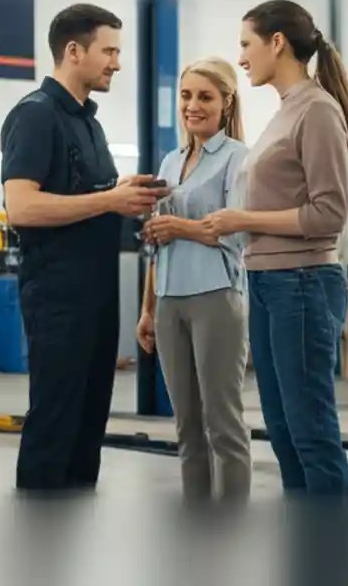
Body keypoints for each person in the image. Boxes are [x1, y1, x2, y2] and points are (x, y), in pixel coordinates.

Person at [0, 3, 169, 492]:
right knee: (56, 420)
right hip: (57, 296)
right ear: (74, 51)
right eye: (109, 51)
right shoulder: (35, 116)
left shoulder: (89, 124)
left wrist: (122, 192)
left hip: (96, 298)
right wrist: (110, 199)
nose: (116, 63)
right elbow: (23, 208)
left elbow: (86, 196)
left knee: (88, 423)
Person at [203, 0, 348, 500]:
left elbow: (328, 215)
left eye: (246, 45)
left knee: (310, 429)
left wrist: (243, 219)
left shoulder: (316, 110)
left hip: (303, 283)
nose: (243, 58)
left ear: (277, 42)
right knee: (284, 429)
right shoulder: (286, 111)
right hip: (270, 282)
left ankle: (331, 551)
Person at [136, 57, 252, 505]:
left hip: (215, 299)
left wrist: (179, 228)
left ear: (226, 102)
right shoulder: (171, 159)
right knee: (186, 427)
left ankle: (233, 528)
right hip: (168, 302)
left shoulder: (238, 158)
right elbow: (155, 240)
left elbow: (236, 231)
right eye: (186, 95)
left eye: (205, 96)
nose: (193, 105)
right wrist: (147, 310)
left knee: (222, 422)